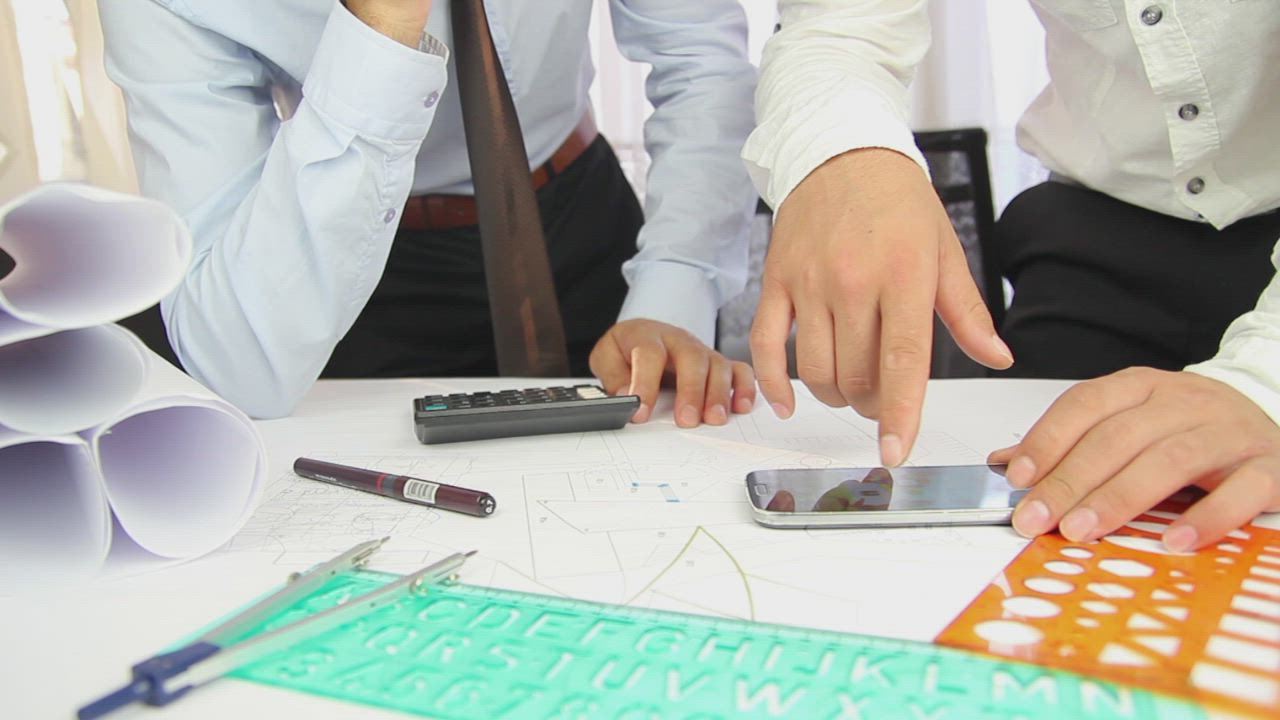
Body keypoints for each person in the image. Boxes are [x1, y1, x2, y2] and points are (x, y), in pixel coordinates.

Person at [743, 1, 1280, 550]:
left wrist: (1265, 384)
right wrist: (843, 152)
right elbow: (839, 30)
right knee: (1030, 526)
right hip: (1092, 241)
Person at [99, 0, 759, 427]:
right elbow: (238, 364)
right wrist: (380, 25)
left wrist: (675, 288)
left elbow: (700, 61)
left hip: (583, 225)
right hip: (345, 252)